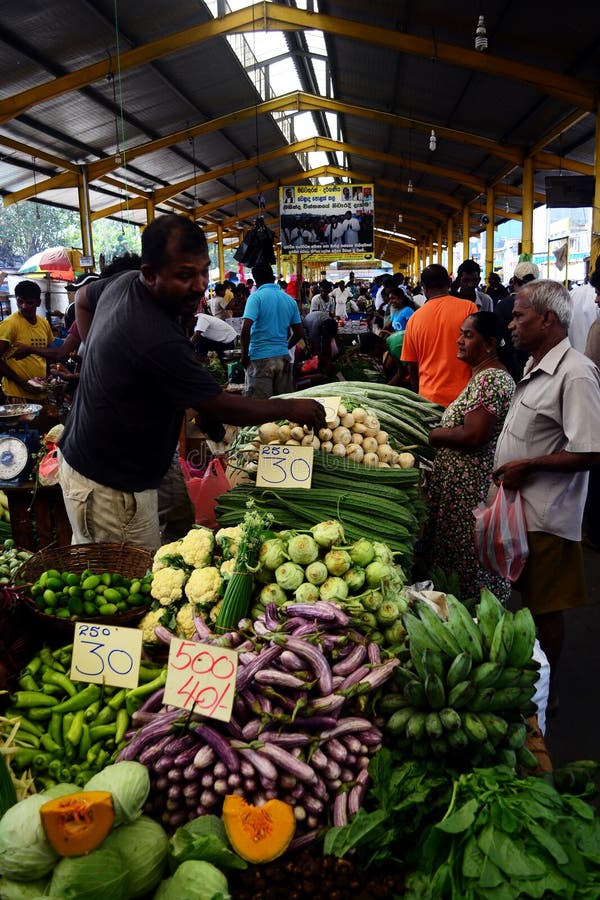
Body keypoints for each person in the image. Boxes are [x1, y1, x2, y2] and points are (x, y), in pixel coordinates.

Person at [58, 214, 325, 551]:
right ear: (150, 274)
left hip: (142, 457)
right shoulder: (153, 335)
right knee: (132, 571)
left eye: (203, 272)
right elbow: (219, 405)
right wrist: (288, 407)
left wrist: (96, 353)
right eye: (185, 275)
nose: (199, 285)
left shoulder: (122, 283)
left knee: (180, 521)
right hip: (109, 482)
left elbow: (82, 299)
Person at [491, 279, 600, 715]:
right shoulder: (535, 365)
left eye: (520, 316)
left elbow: (589, 450)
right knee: (529, 601)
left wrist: (528, 466)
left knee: (546, 607)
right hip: (521, 512)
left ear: (547, 319)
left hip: (548, 514)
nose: (511, 324)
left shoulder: (576, 373)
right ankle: (533, 677)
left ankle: (547, 693)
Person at [426, 312, 515, 603]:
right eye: (460, 333)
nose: (459, 340)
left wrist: (436, 435)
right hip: (463, 494)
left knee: (469, 566)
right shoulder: (483, 376)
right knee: (459, 565)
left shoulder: (491, 379)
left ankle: (477, 614)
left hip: (471, 495)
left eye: (468, 335)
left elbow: (474, 435)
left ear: (490, 343)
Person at [401, 264, 478, 407]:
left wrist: (419, 400)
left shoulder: (414, 319)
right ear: (449, 282)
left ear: (423, 287)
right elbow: (480, 353)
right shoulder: (469, 308)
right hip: (464, 398)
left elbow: (412, 366)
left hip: (429, 400)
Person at [240, 262, 304, 399]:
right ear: (272, 277)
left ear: (255, 279)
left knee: (260, 405)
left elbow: (245, 329)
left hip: (260, 358)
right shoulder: (289, 300)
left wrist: (244, 356)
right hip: (283, 358)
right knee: (283, 403)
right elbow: (299, 333)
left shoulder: (255, 297)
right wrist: (285, 346)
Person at [0, 280, 53, 403]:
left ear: (38, 302)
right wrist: (21, 382)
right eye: (20, 301)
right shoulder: (10, 324)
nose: (23, 306)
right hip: (17, 394)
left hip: (40, 393)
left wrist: (48, 376)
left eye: (29, 302)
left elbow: (47, 353)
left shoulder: (44, 323)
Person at [495, 260, 539, 381]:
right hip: (534, 365)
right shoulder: (542, 306)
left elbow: (497, 339)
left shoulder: (502, 306)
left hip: (507, 366)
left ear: (513, 281)